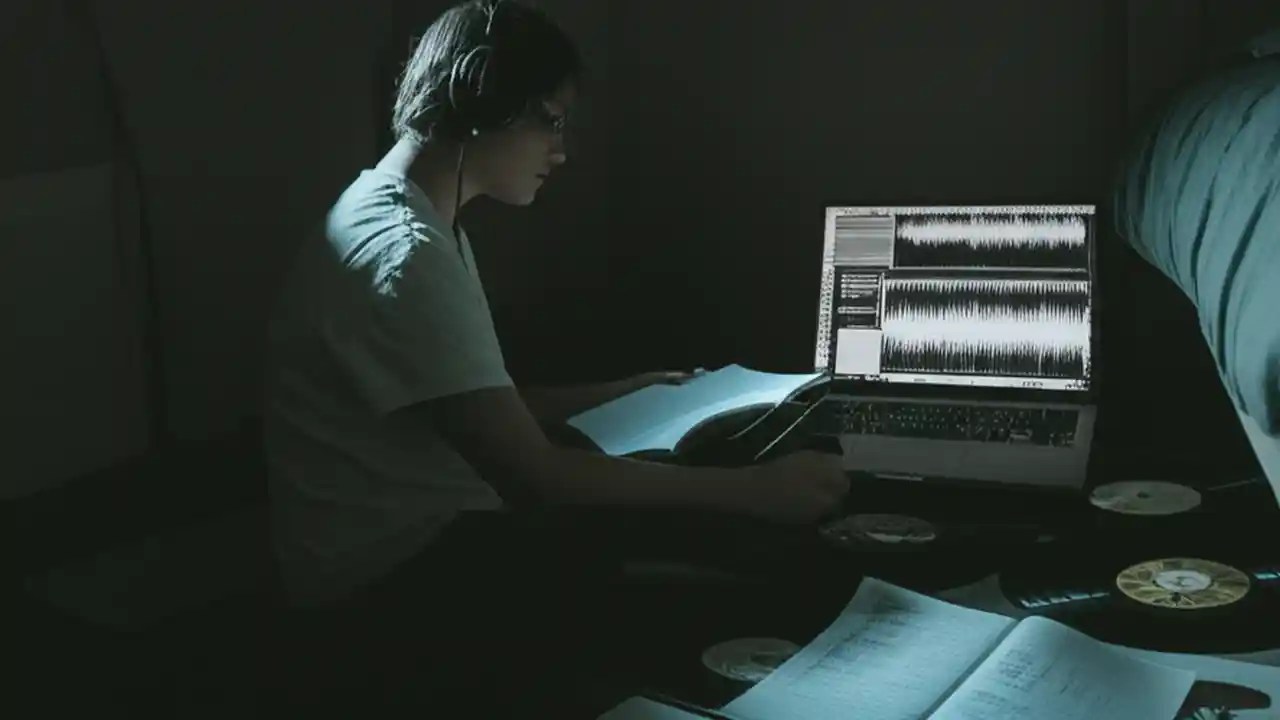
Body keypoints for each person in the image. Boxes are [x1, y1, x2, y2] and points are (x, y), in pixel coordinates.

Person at [261, 0, 849, 711]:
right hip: (388, 590)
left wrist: (624, 390)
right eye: (551, 120)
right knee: (723, 571)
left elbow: (474, 407)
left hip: (423, 544)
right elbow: (536, 476)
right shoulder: (405, 254)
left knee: (687, 530)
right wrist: (757, 493)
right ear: (481, 100)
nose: (561, 150)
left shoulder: (402, 212)